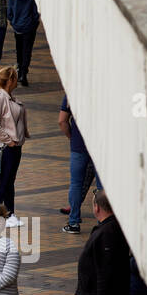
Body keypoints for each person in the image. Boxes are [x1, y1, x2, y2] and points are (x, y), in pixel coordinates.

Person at [0, 65, 27, 213]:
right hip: (5, 148)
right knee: (2, 183)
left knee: (9, 182)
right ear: (11, 80)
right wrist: (9, 141)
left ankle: (9, 214)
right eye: (15, 77)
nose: (17, 80)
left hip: (14, 147)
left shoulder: (9, 97)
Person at [60, 95, 98, 233]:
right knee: (101, 187)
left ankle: (74, 222)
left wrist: (72, 137)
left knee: (76, 184)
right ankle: (103, 222)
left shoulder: (73, 91)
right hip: (99, 146)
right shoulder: (105, 89)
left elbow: (62, 121)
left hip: (78, 146)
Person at [8, 0, 39, 87]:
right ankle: (23, 73)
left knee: (19, 50)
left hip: (18, 27)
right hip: (29, 27)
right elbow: (35, 12)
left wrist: (13, 22)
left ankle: (20, 71)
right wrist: (35, 23)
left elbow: (9, 12)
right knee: (27, 51)